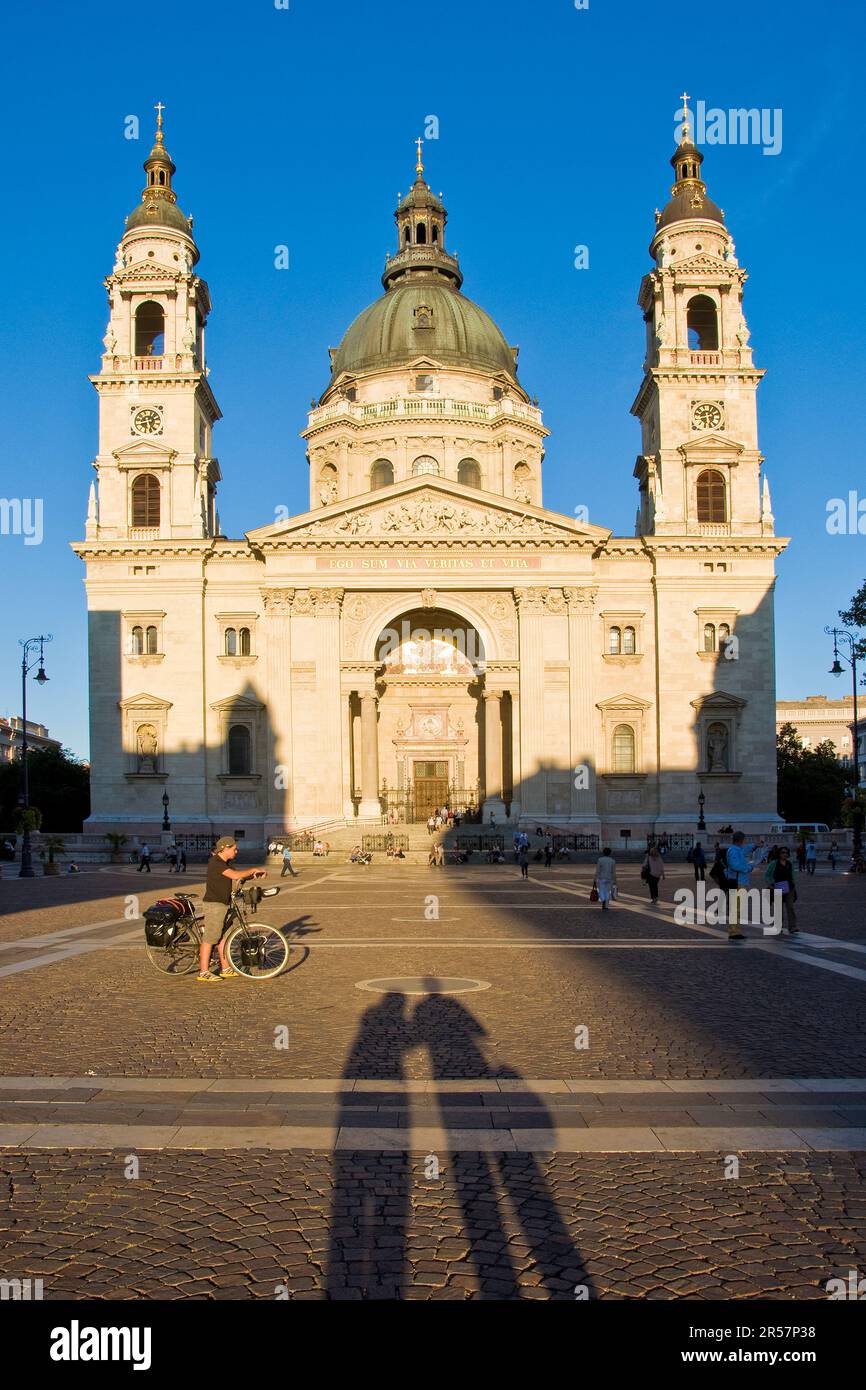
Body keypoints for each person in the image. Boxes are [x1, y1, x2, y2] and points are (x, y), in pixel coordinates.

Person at [199, 836, 267, 982]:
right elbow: (235, 875)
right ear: (225, 848)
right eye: (234, 848)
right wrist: (253, 869)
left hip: (226, 903)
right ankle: (204, 972)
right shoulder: (215, 862)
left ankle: (226, 968)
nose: (237, 851)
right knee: (210, 938)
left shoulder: (226, 863)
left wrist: (250, 876)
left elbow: (237, 878)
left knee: (225, 937)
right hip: (214, 904)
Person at [725, 831, 755, 941]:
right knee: (735, 908)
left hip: (740, 881)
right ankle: (733, 932)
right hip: (737, 882)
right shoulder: (733, 850)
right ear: (741, 840)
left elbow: (744, 850)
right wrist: (748, 868)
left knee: (738, 908)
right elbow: (734, 865)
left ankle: (736, 930)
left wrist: (754, 846)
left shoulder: (737, 849)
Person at [765, 845, 798, 934]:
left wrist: (794, 882)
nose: (785, 854)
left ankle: (792, 926)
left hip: (789, 887)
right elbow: (767, 875)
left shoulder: (789, 863)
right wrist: (771, 883)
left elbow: (793, 874)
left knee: (790, 907)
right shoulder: (773, 863)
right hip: (777, 887)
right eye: (783, 852)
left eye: (786, 853)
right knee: (778, 908)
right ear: (779, 854)